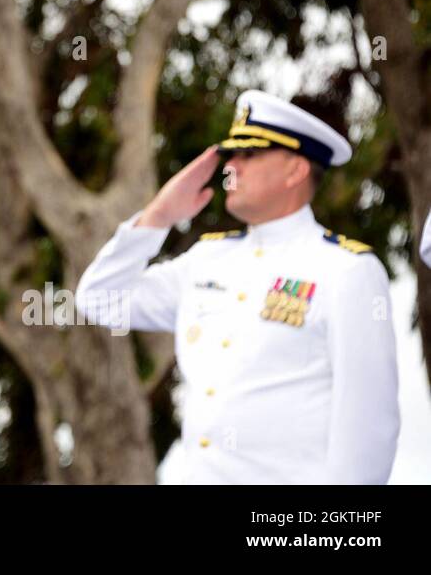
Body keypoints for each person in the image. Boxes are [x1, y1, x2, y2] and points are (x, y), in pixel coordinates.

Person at [76, 90, 400, 484]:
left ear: (295, 170)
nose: (230, 167)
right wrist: (158, 217)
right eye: (231, 154)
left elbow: (368, 429)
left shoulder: (347, 271)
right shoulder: (206, 260)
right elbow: (99, 300)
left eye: (249, 155)